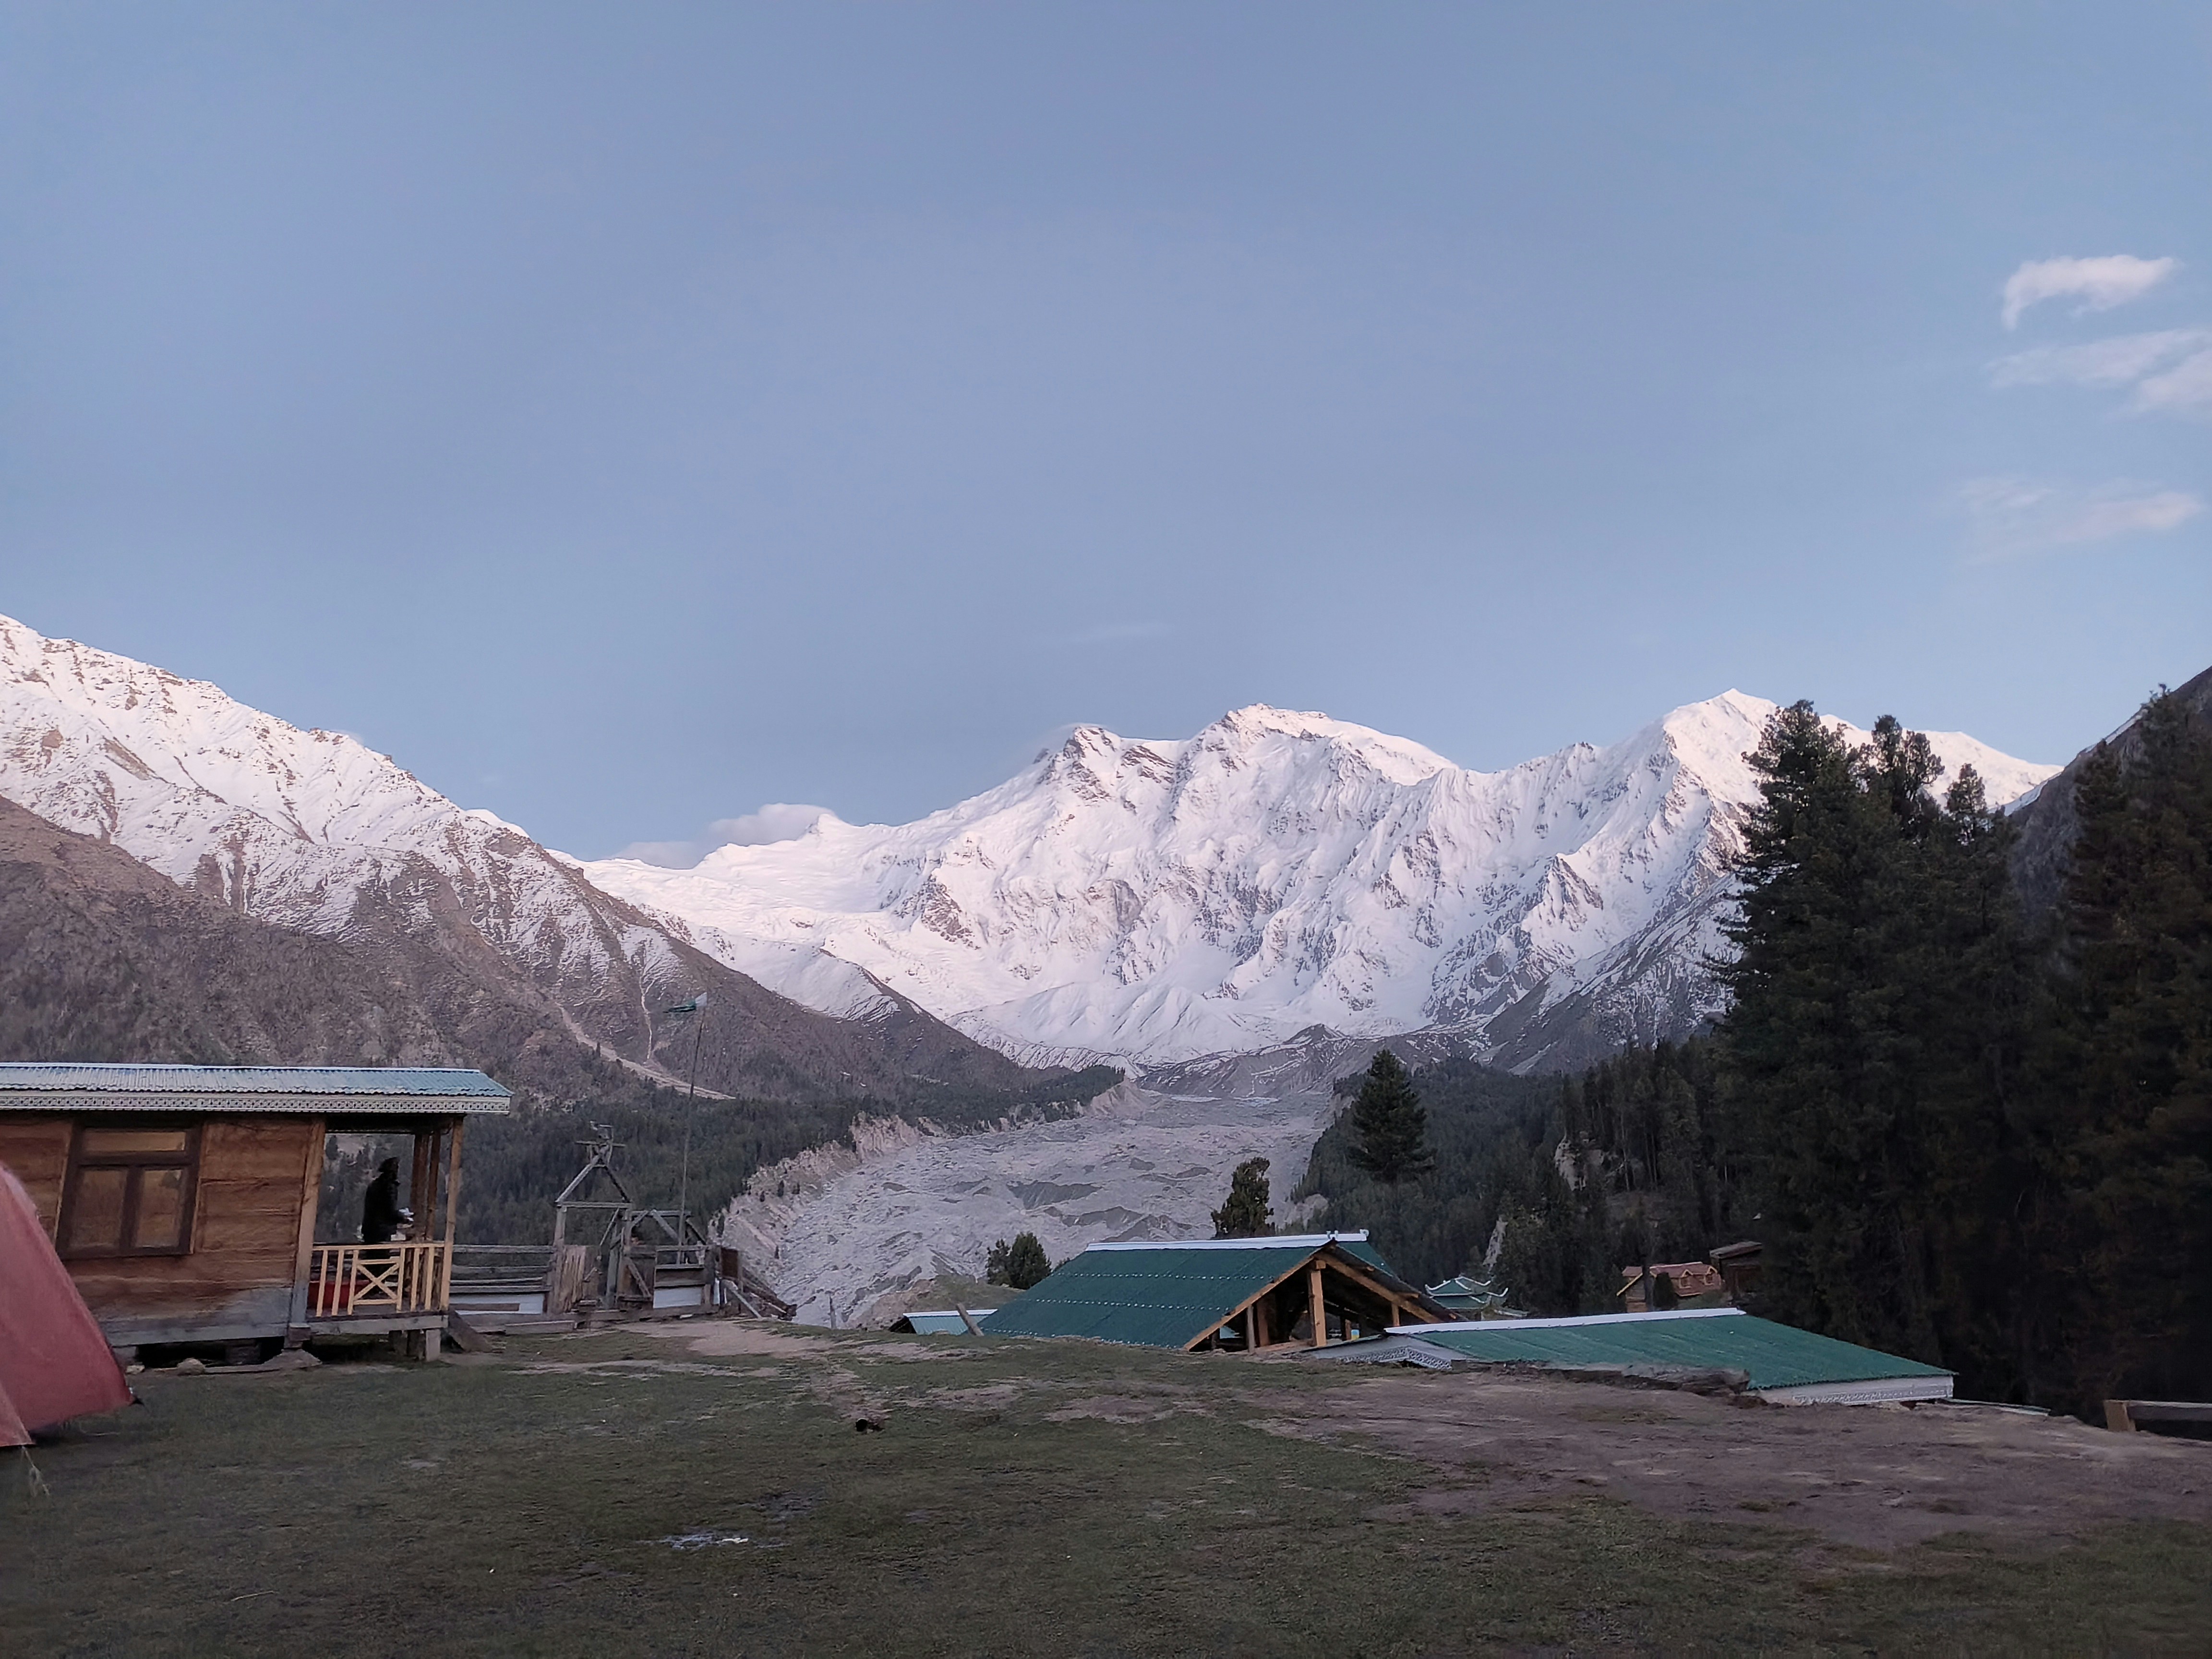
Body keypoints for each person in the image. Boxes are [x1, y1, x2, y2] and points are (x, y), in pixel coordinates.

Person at [361, 1157, 411, 1245]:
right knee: (380, 1251)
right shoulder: (389, 1187)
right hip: (382, 1231)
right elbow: (389, 1211)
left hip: (369, 1229)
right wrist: (403, 1218)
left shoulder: (374, 1185)